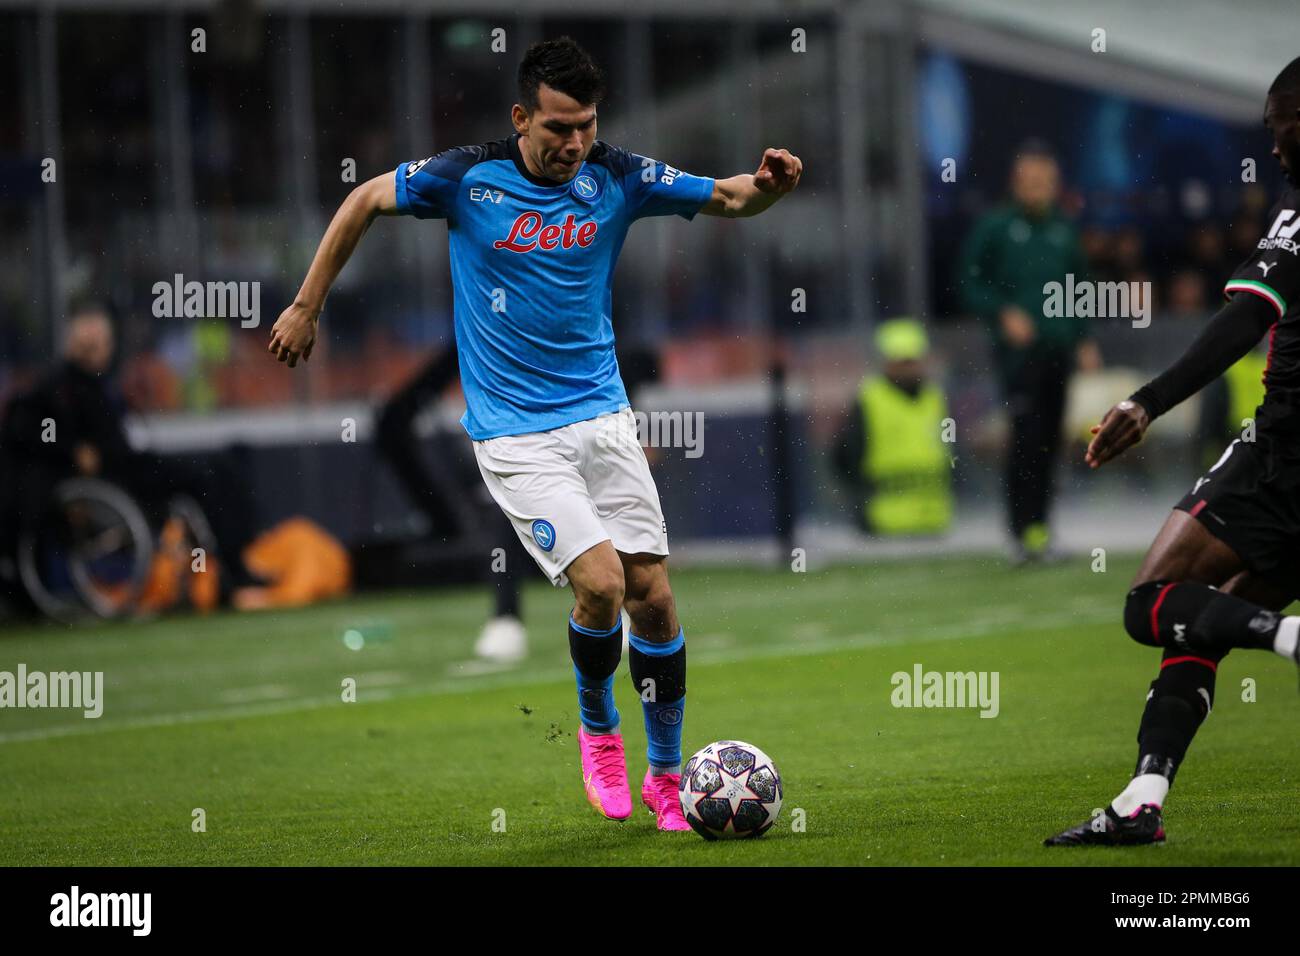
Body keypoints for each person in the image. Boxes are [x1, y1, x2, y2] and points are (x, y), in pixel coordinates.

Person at [267, 37, 802, 830]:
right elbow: (362, 202)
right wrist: (307, 305)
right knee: (602, 586)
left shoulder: (616, 176)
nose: (573, 143)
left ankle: (664, 777)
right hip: (516, 437)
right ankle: (598, 730)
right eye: (557, 127)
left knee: (653, 599)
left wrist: (767, 189)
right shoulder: (465, 178)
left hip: (603, 419)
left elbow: (725, 198)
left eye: (585, 124)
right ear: (521, 118)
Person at [1045, 56, 1300, 846]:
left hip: (1286, 452)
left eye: (1279, 126)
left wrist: (1145, 401)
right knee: (1212, 612)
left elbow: (1246, 317)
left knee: (1152, 602)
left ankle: (1293, 640)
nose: (1275, 145)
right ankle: (1140, 800)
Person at [1, 303, 263, 603]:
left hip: (131, 467)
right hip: (120, 479)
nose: (97, 349)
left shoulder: (99, 384)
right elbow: (26, 429)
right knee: (206, 477)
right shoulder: (58, 387)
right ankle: (232, 571)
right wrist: (71, 451)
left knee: (222, 466)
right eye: (90, 341)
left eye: (102, 341)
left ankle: (231, 563)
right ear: (73, 343)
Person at [955, 142, 1101, 562]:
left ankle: (1041, 528)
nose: (1037, 188)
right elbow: (968, 281)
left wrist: (1084, 337)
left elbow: (1080, 288)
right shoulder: (996, 228)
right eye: (1030, 180)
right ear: (1015, 183)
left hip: (1059, 351)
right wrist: (1002, 313)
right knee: (1025, 438)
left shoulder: (1063, 229)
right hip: (1019, 358)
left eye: (1045, 181)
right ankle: (1021, 532)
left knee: (1052, 441)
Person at [373, 343, 531, 662]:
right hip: (521, 426)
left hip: (575, 414)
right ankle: (506, 617)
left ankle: (625, 607)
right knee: (505, 508)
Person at [833, 318, 953, 536]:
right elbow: (844, 457)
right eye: (902, 361)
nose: (909, 368)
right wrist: (859, 503)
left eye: (913, 360)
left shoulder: (936, 397)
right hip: (882, 524)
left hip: (935, 521)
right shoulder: (870, 399)